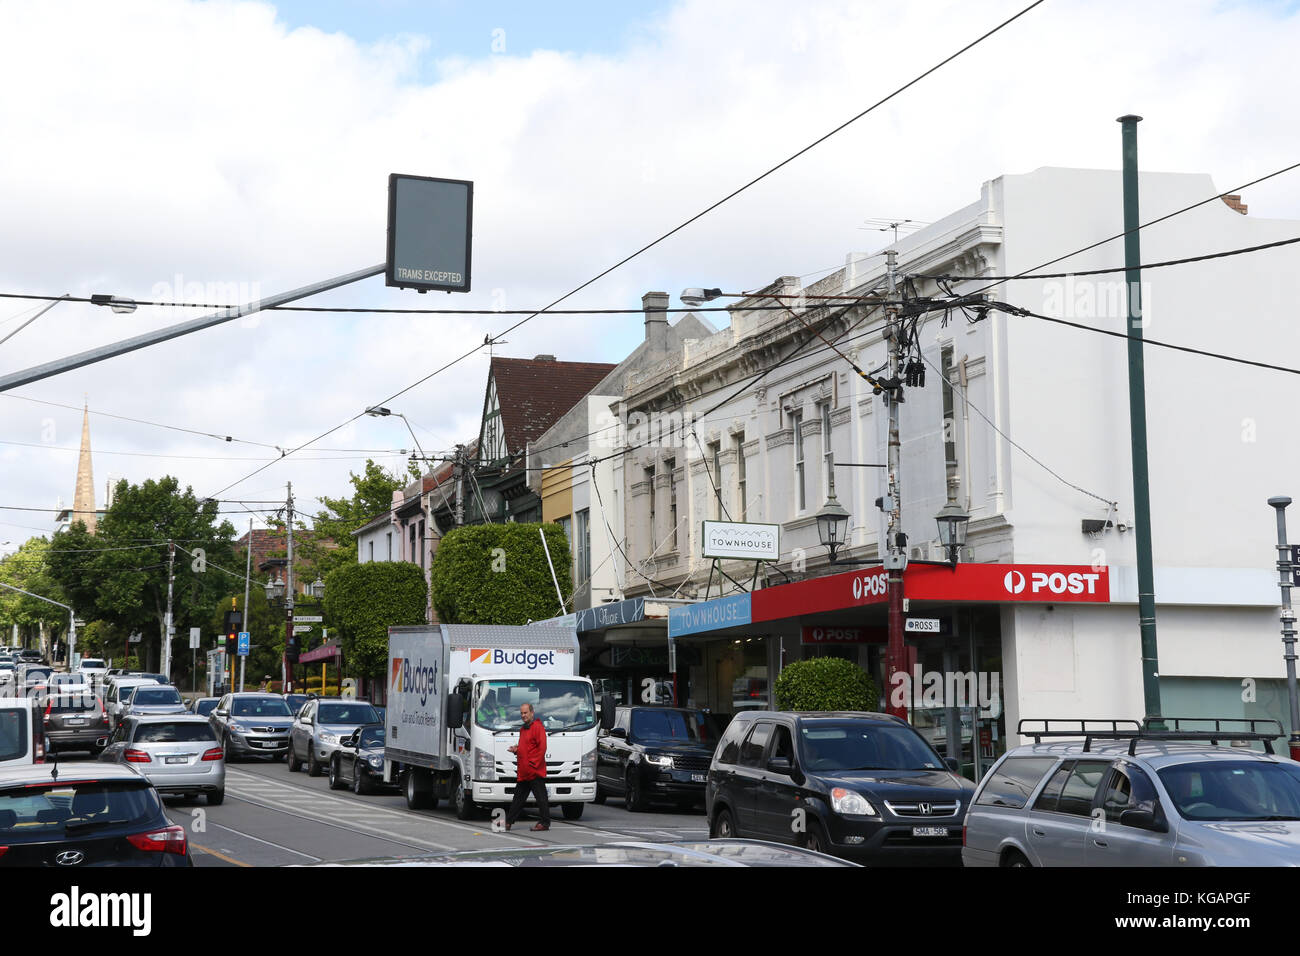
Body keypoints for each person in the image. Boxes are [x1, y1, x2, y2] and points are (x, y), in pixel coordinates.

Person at [505, 702, 550, 831]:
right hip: (524, 771)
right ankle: (508, 822)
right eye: (522, 713)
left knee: (541, 798)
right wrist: (516, 749)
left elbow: (542, 748)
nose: (523, 715)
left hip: (534, 771)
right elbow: (526, 747)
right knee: (518, 798)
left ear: (532, 713)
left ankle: (545, 823)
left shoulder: (537, 727)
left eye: (525, 713)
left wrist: (533, 764)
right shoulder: (523, 729)